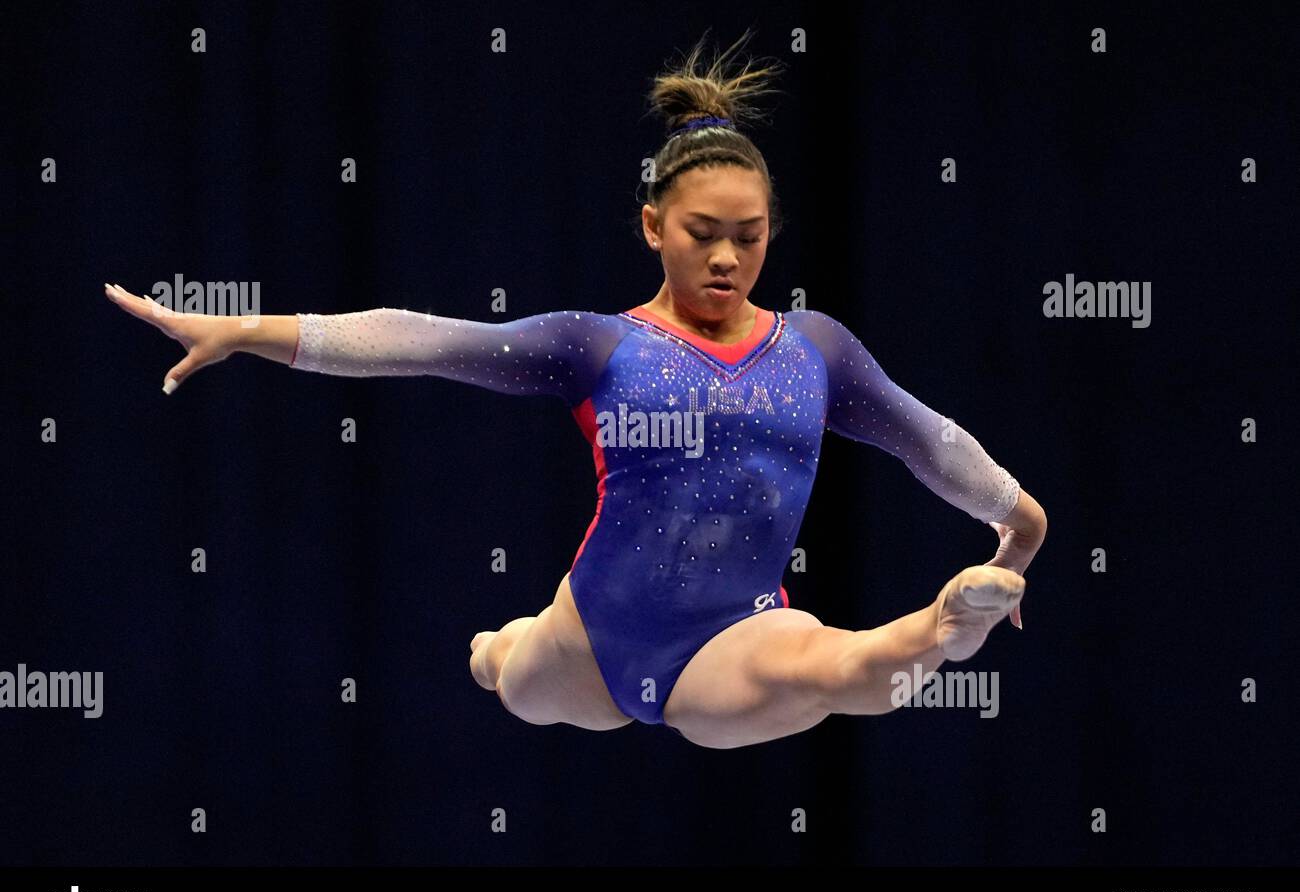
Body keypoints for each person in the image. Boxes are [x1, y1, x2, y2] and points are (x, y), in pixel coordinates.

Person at [105, 29, 1046, 749]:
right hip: (591, 636)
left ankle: (941, 626)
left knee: (841, 671)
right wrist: (250, 328)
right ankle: (498, 643)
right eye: (701, 232)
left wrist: (1019, 515)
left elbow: (931, 441)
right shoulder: (599, 348)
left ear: (774, 231)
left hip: (736, 634)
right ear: (651, 226)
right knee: (504, 671)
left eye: (750, 236)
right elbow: (429, 342)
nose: (726, 257)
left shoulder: (817, 351)